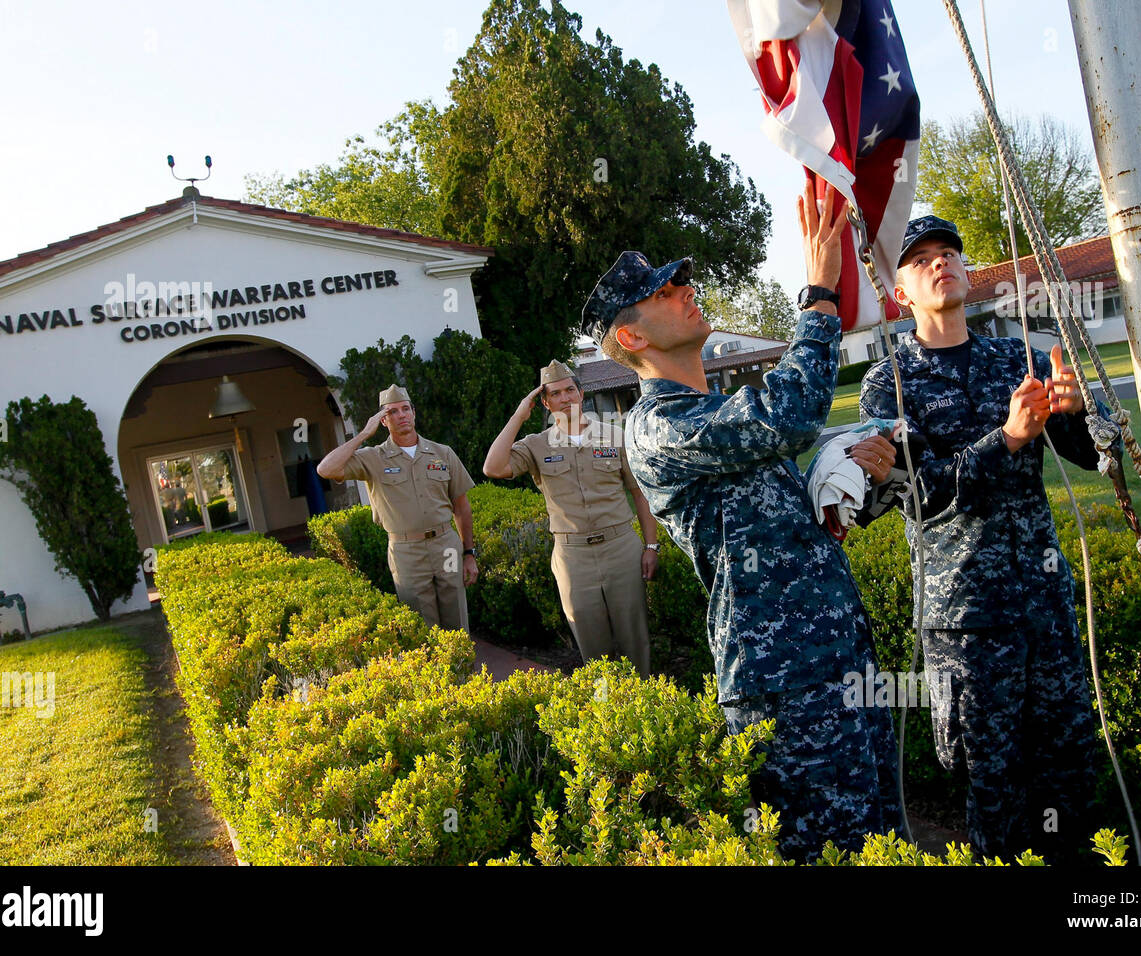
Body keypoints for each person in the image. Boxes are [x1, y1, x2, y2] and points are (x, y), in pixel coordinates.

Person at [582, 179, 903, 859]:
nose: (684, 293)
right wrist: (818, 293)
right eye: (665, 294)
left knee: (880, 841)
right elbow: (787, 412)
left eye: (680, 285)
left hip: (840, 657)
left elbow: (800, 525)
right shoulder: (658, 425)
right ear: (631, 334)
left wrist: (861, 485)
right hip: (782, 683)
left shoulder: (718, 409)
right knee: (824, 852)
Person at [859, 214, 1104, 862]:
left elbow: (1088, 457)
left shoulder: (1013, 357)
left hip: (1043, 606)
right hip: (967, 620)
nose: (941, 263)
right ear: (899, 291)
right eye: (921, 259)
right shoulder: (889, 385)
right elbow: (920, 495)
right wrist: (1009, 438)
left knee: (1069, 767)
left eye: (949, 253)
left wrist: (1079, 414)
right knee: (992, 787)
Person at [484, 359, 660, 676]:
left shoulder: (614, 435)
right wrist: (518, 415)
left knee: (636, 637)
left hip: (620, 547)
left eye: (570, 390)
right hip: (572, 556)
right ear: (546, 402)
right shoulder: (536, 445)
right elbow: (493, 468)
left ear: (580, 394)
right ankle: (608, 711)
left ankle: (645, 701)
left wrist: (651, 546)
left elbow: (640, 494)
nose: (565, 398)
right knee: (592, 643)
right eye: (556, 393)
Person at [316, 384, 478, 631]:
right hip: (406, 552)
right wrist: (362, 435)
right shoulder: (373, 458)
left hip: (446, 546)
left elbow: (461, 507)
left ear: (413, 412)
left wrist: (469, 554)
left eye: (405, 409)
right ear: (382, 420)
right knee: (421, 624)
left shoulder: (442, 453)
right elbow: (326, 469)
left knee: (456, 613)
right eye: (392, 412)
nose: (401, 415)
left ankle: (465, 668)